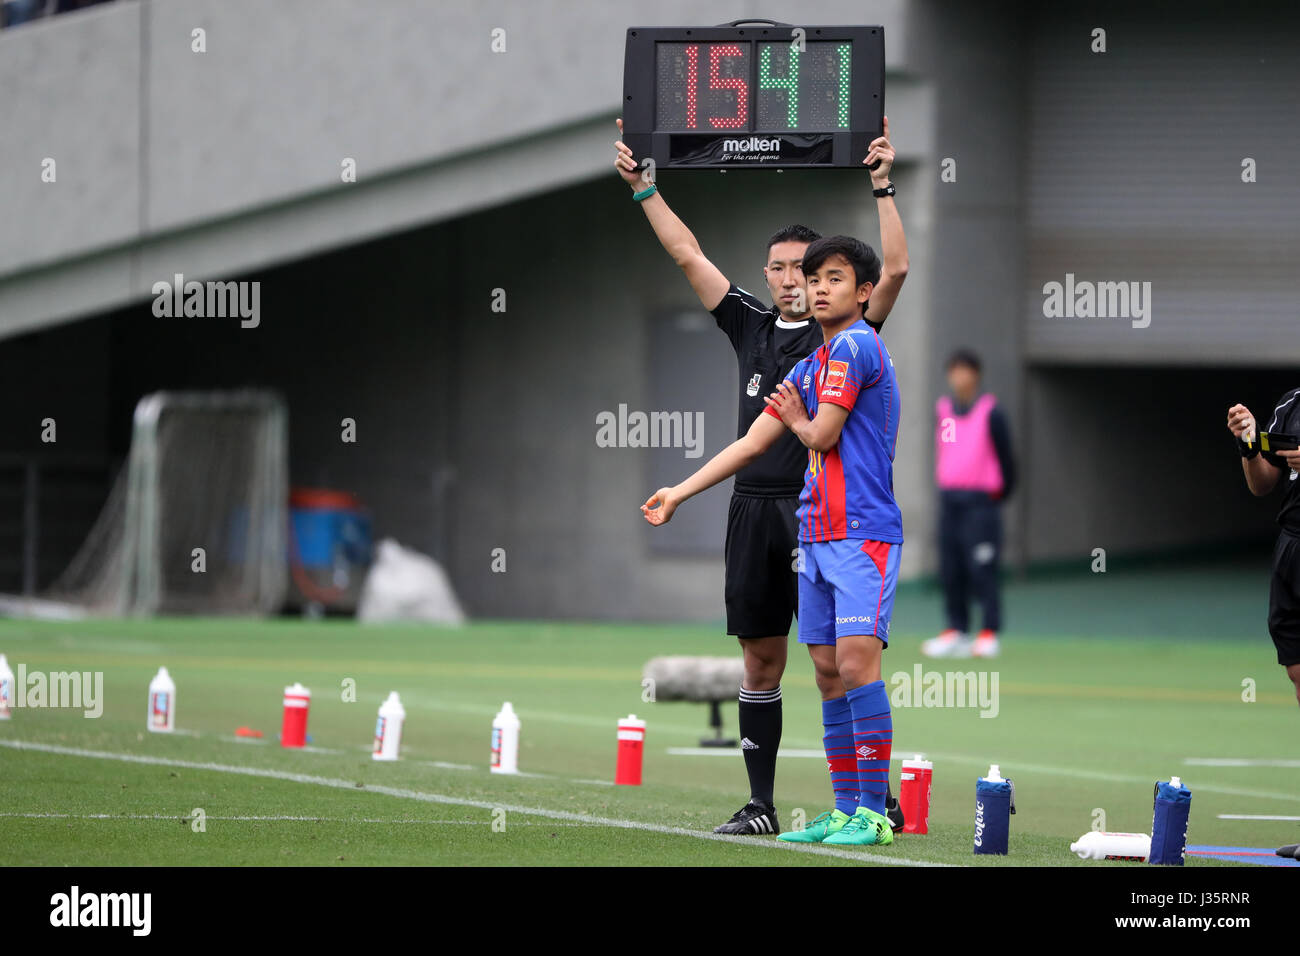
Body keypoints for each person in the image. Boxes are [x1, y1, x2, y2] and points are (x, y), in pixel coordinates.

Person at [616, 118, 908, 835]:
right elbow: (687, 255)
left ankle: (874, 802)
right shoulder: (758, 329)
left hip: (842, 522)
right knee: (765, 659)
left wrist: (881, 181)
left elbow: (894, 270)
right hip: (768, 512)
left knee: (842, 667)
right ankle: (770, 805)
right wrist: (646, 188)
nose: (794, 281)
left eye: (811, 270)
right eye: (782, 268)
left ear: (837, 283)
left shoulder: (849, 334)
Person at [921, 349, 1016, 659]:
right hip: (950, 502)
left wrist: (995, 497)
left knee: (982, 569)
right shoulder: (944, 410)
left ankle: (989, 632)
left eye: (964, 371)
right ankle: (956, 630)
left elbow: (1007, 461)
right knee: (951, 569)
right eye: (954, 371)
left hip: (980, 505)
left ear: (976, 375)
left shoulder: (992, 412)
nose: (958, 377)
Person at [1228, 396, 1300, 709]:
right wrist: (1249, 444)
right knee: (1297, 669)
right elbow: (1262, 484)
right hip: (1293, 547)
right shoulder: (1292, 405)